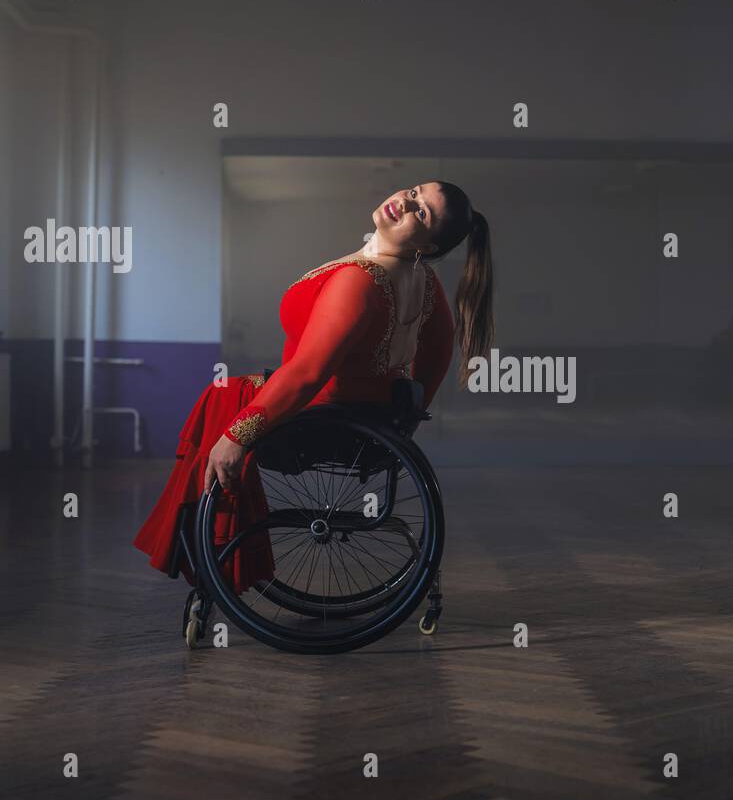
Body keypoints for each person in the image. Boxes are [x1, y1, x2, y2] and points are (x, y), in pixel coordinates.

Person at [133, 181, 494, 592]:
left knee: (223, 395)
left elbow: (306, 374)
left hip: (320, 418)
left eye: (422, 213)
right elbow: (433, 360)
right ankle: (217, 561)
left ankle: (212, 559)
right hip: (367, 415)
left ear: (427, 246)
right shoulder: (425, 283)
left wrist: (237, 435)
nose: (405, 203)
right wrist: (405, 420)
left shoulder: (361, 282)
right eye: (413, 192)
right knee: (230, 389)